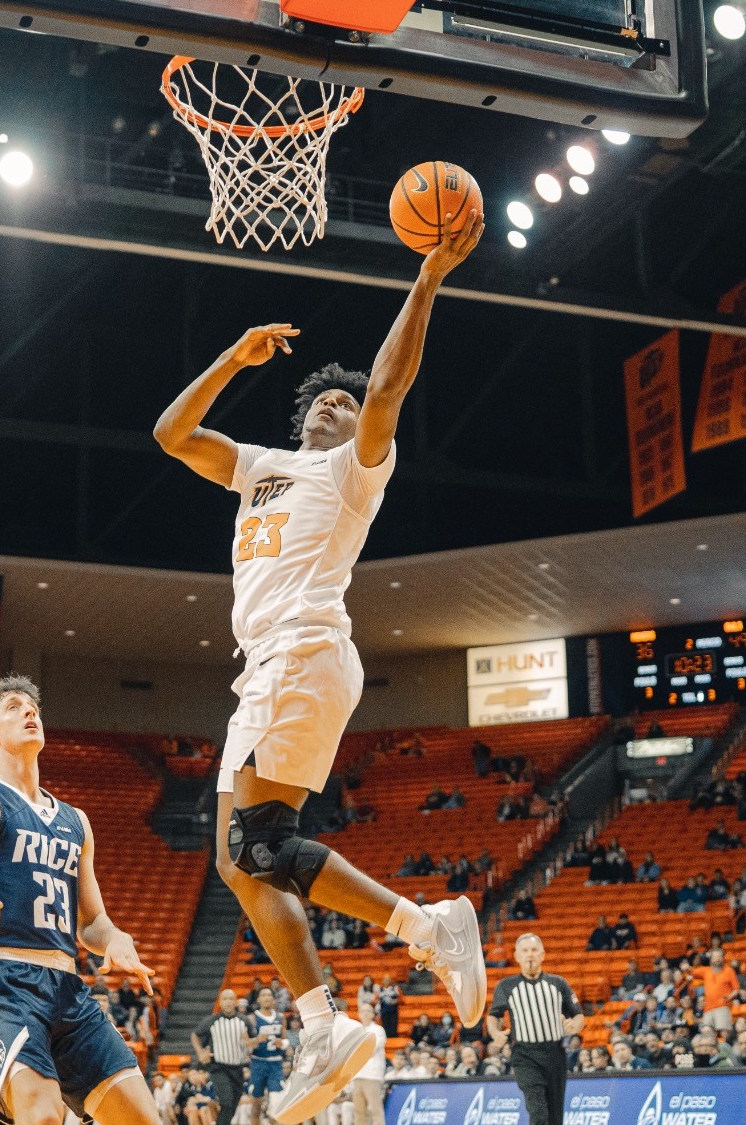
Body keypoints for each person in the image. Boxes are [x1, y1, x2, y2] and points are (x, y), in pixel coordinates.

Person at [153, 212, 488, 1124]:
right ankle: (320, 1024)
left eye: (342, 405)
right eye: (318, 403)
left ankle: (427, 927)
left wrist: (427, 278)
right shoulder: (259, 464)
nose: (332, 407)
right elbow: (171, 433)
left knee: (255, 846)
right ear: (297, 419)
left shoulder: (353, 470)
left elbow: (388, 381)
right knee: (241, 866)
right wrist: (233, 357)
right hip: (262, 666)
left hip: (302, 650)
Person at [0, 677, 158, 1125]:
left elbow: (91, 924)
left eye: (33, 706)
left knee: (144, 1120)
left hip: (67, 986)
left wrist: (115, 939)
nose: (30, 712)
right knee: (42, 1116)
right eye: (14, 707)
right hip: (2, 980)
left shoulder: (77, 821)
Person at [485, 935, 583, 1125]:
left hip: (555, 1053)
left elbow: (578, 1015)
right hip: (525, 1055)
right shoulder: (506, 986)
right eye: (525, 951)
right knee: (538, 1112)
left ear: (542, 955)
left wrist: (574, 1026)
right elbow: (494, 1016)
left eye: (534, 950)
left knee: (555, 1117)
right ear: (517, 956)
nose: (530, 955)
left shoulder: (558, 983)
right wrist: (496, 1033)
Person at [190, 990, 250, 1125]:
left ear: (235, 1001)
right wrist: (200, 1052)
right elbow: (195, 1034)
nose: (228, 1002)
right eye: (225, 999)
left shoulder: (244, 1020)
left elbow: (253, 1039)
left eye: (231, 999)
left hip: (238, 1067)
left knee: (233, 1104)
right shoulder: (211, 1020)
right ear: (220, 1002)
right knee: (226, 1102)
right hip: (218, 1067)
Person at [245, 989, 286, 1125]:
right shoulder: (251, 1018)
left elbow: (285, 1041)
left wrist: (282, 1044)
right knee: (256, 1104)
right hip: (258, 1063)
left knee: (276, 1106)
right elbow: (246, 1043)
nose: (266, 997)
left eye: (269, 995)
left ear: (274, 999)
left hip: (276, 1064)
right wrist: (257, 1040)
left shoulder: (281, 1017)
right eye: (263, 995)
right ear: (258, 999)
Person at [350, 1004, 387, 1125]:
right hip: (357, 1075)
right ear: (359, 1014)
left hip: (372, 1075)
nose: (365, 1013)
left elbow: (371, 1049)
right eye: (362, 1010)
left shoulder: (378, 1030)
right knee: (359, 1112)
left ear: (373, 1014)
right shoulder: (355, 1030)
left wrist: (356, 1050)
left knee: (375, 1110)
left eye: (368, 1011)